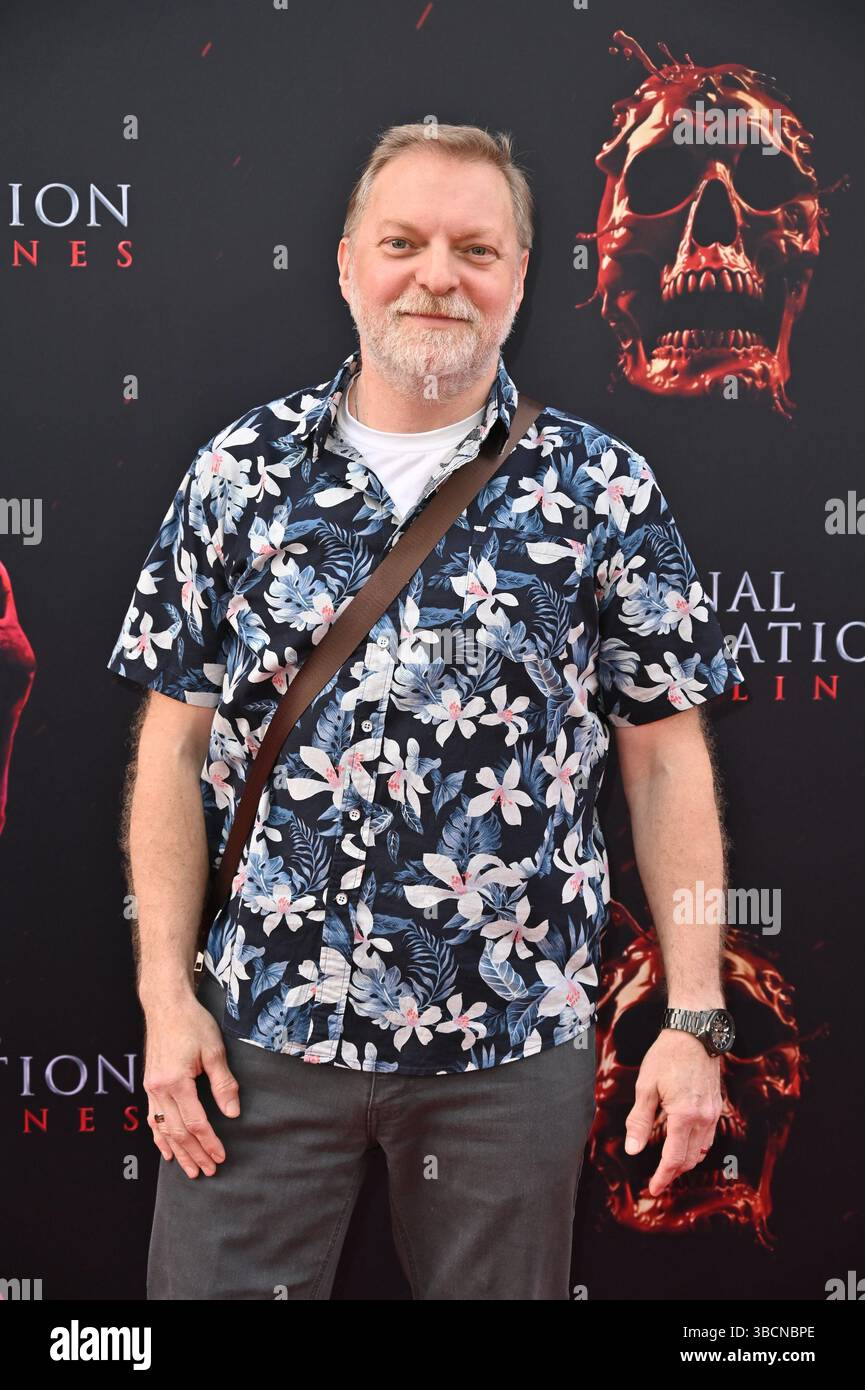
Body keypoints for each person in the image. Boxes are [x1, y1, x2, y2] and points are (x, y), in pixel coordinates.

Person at [106, 122, 746, 1300]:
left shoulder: (601, 489)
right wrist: (163, 998)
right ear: (348, 264)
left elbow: (664, 762)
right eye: (403, 243)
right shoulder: (238, 475)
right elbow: (172, 747)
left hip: (508, 1056)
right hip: (257, 1042)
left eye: (475, 248)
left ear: (518, 278)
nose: (438, 275)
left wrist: (694, 1015)